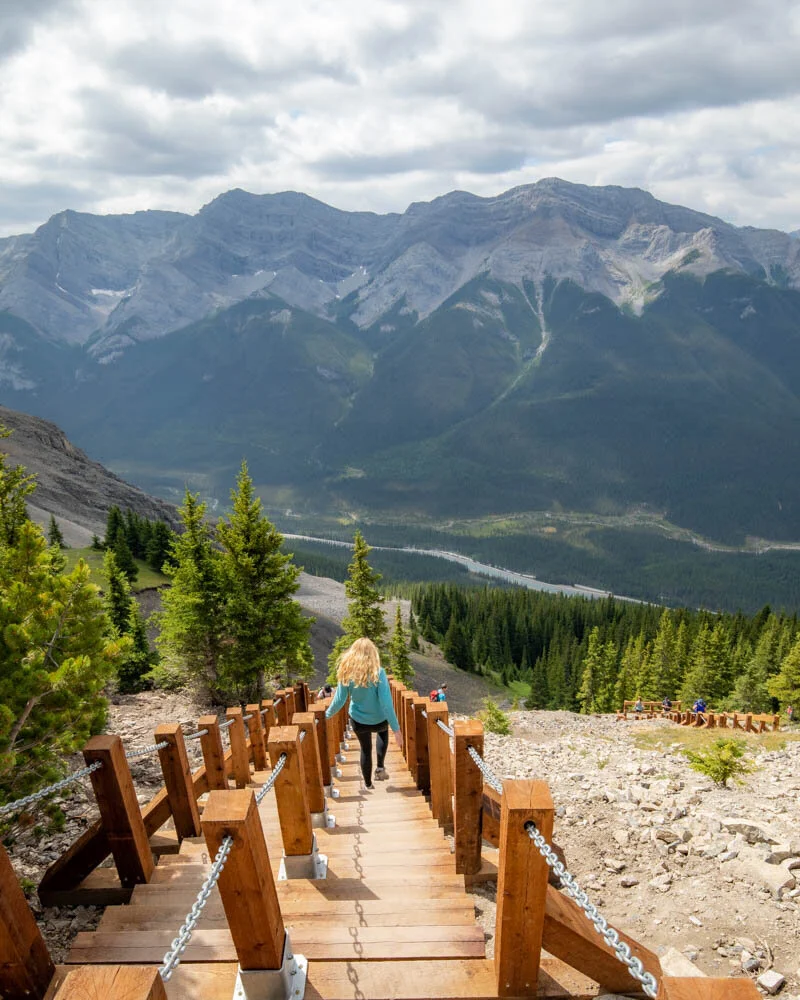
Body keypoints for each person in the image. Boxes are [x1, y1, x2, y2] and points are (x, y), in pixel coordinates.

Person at [325, 637, 402, 790]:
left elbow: (339, 700)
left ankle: (368, 784)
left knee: (365, 749)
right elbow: (386, 704)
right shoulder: (379, 673)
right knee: (383, 733)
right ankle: (380, 767)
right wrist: (397, 729)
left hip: (358, 720)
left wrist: (325, 716)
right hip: (379, 720)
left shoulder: (347, 672)